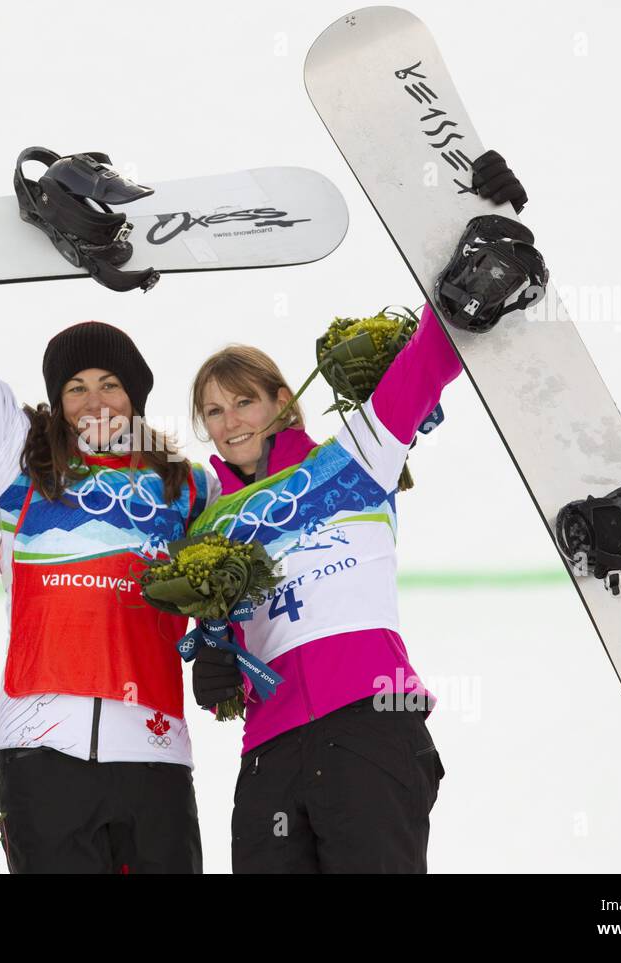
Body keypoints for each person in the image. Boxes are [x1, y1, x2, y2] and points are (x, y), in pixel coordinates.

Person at [0, 263, 218, 872]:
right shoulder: (22, 462)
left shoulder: (190, 486)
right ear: (57, 400)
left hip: (155, 749)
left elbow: (242, 567)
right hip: (39, 748)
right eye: (75, 387)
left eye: (109, 383)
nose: (93, 400)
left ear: (135, 394)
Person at [186, 302, 460, 873]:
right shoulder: (210, 527)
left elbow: (423, 367)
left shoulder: (354, 458)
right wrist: (214, 663)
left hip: (370, 723)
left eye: (243, 402)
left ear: (281, 404)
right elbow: (222, 637)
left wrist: (461, 292)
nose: (230, 421)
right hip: (270, 753)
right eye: (214, 411)